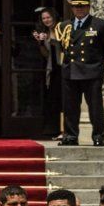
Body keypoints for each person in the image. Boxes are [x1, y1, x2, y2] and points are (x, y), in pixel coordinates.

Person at [60, 0, 104, 146]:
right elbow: (61, 48)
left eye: (83, 6)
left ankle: (98, 136)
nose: (79, 9)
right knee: (70, 107)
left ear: (89, 7)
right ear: (71, 8)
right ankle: (70, 136)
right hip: (70, 71)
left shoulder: (100, 25)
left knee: (95, 107)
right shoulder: (65, 26)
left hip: (91, 71)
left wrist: (101, 66)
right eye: (76, 6)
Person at [33, 7, 65, 139]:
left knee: (64, 100)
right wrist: (40, 42)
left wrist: (51, 39)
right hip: (52, 70)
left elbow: (64, 46)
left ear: (54, 16)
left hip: (64, 68)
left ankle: (65, 131)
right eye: (43, 18)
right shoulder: (45, 32)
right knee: (53, 99)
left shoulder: (62, 28)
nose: (46, 20)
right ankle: (54, 130)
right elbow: (46, 55)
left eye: (48, 17)